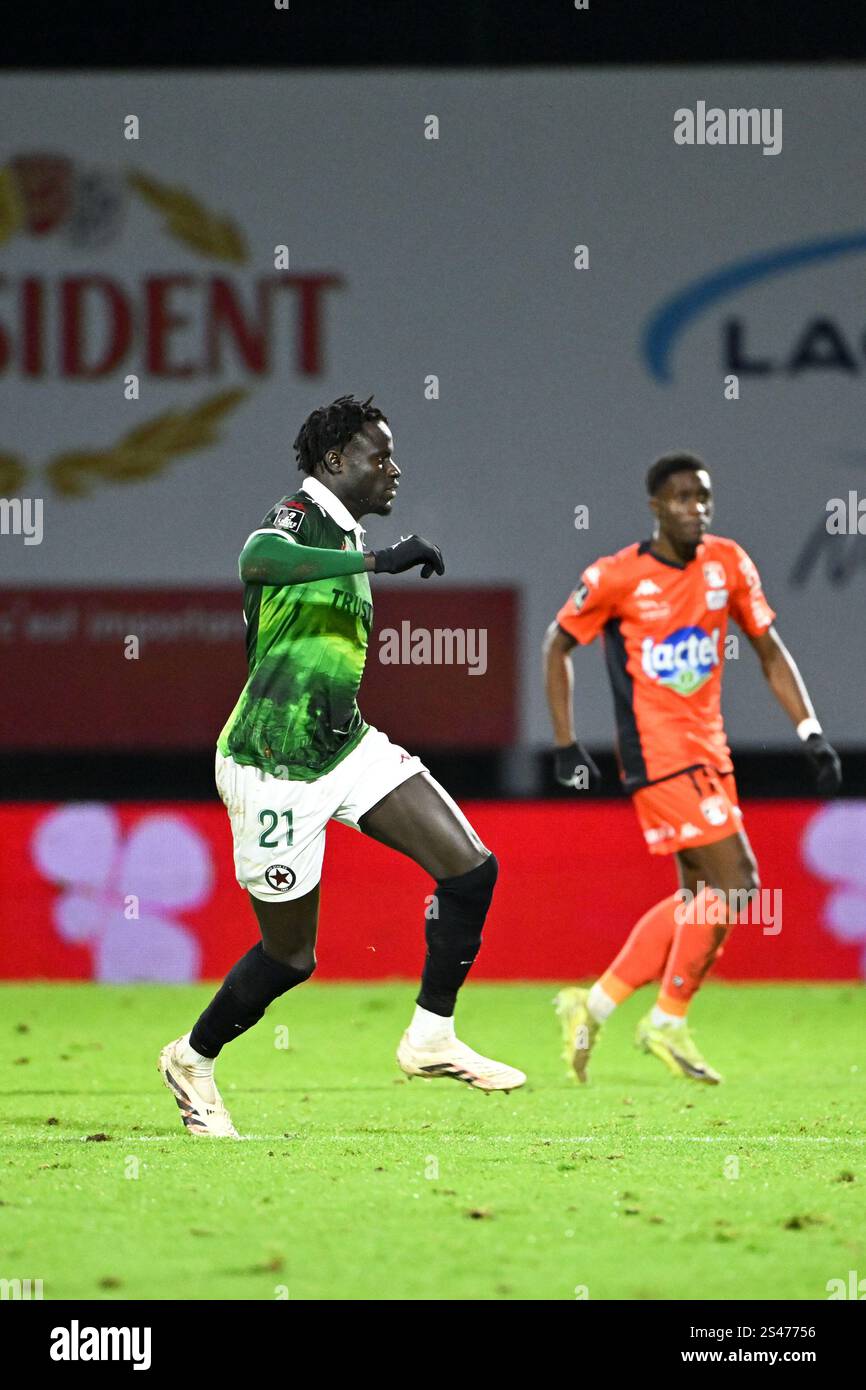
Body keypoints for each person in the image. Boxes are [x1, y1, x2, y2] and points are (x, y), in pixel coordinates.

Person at [159, 395, 524, 1136]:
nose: (395, 468)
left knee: (470, 870)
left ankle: (430, 1038)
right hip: (270, 763)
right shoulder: (302, 514)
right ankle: (191, 1058)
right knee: (292, 958)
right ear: (335, 463)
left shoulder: (347, 530)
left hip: (345, 746)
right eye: (379, 455)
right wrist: (379, 560)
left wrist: (370, 553)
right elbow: (256, 558)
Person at [543, 452, 841, 1084]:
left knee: (700, 901)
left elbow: (768, 649)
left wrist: (809, 731)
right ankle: (667, 1020)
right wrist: (566, 744)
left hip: (710, 752)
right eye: (680, 498)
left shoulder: (727, 563)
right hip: (659, 753)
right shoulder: (617, 576)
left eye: (702, 497)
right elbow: (558, 644)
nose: (694, 508)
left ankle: (589, 1006)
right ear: (655, 506)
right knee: (739, 884)